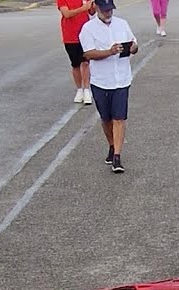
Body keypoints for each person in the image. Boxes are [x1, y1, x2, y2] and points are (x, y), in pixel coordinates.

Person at [79, 0, 137, 174]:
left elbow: (134, 43)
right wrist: (109, 52)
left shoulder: (122, 24)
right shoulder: (88, 29)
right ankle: (112, 145)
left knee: (119, 118)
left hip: (121, 79)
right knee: (106, 118)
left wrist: (133, 48)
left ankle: (117, 157)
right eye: (104, 10)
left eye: (110, 9)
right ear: (96, 8)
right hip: (101, 81)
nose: (108, 12)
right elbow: (88, 53)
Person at [57, 0, 94, 102]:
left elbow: (91, 12)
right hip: (70, 35)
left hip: (85, 34)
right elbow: (67, 14)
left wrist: (92, 6)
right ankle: (79, 90)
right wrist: (83, 8)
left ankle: (87, 89)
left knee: (85, 62)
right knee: (75, 64)